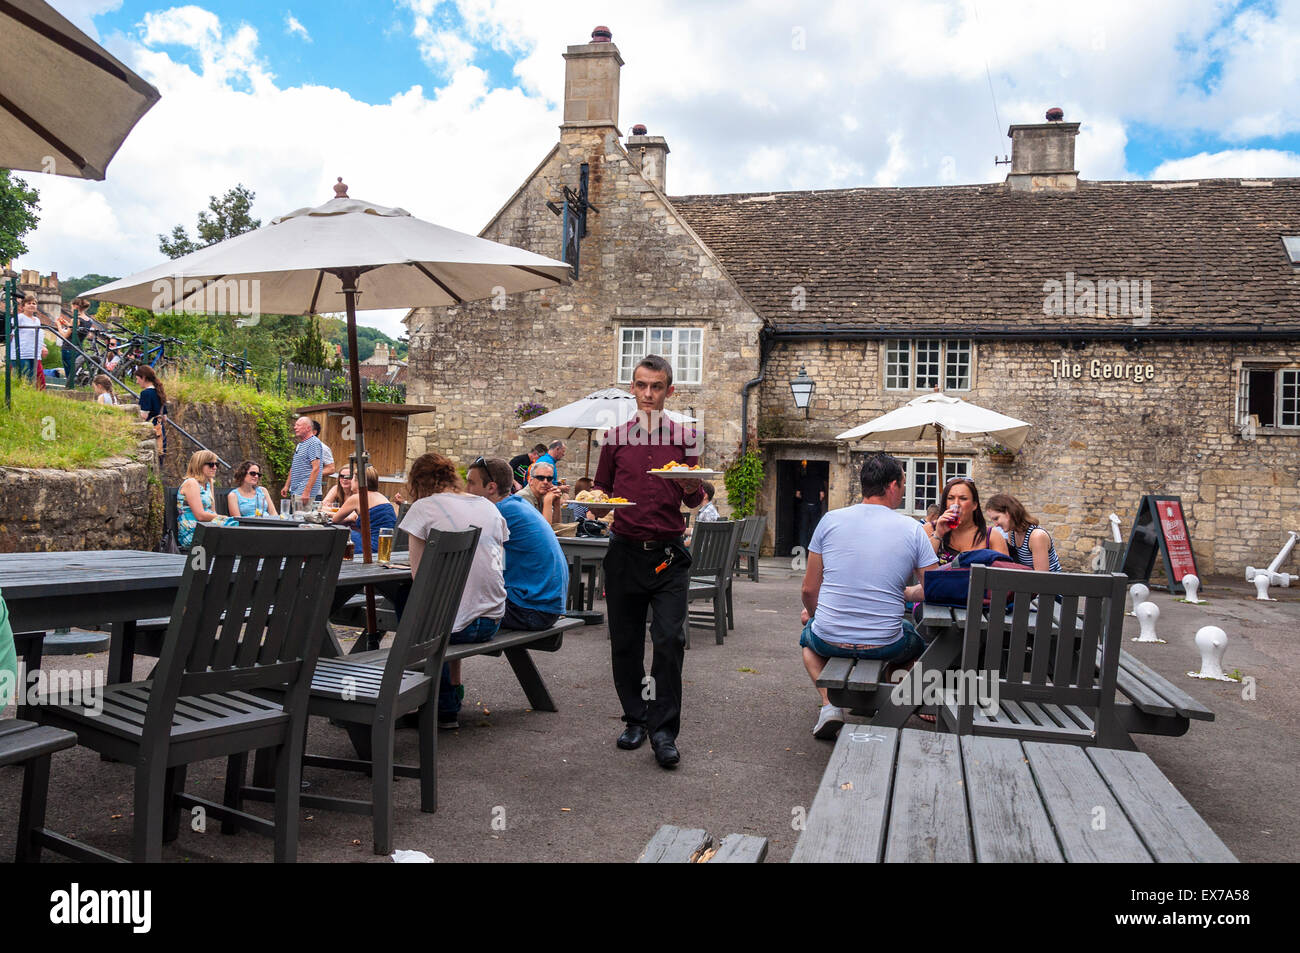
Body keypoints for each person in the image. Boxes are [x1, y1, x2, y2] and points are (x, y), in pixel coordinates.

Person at [594, 354, 705, 770]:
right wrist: (589, 503)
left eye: (656, 387)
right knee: (624, 643)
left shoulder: (685, 438)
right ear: (631, 388)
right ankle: (635, 719)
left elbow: (695, 498)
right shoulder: (615, 438)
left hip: (668, 555)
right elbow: (602, 493)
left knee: (669, 640)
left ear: (669, 391)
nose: (648, 394)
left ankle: (663, 731)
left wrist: (692, 484)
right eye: (641, 385)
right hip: (623, 553)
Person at [800, 452, 938, 739]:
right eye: (903, 482)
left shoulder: (829, 520)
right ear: (892, 486)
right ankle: (885, 700)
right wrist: (907, 593)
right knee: (913, 640)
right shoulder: (913, 529)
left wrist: (816, 617)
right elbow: (934, 588)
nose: (902, 489)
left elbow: (809, 589)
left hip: (829, 638)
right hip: (884, 642)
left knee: (807, 641)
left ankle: (829, 706)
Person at [400, 452, 509, 729]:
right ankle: (448, 700)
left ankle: (431, 702)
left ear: (418, 482)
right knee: (451, 606)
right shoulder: (488, 507)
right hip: (493, 620)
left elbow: (419, 578)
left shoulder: (423, 507)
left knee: (407, 601)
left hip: (456, 628)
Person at [466, 456, 569, 631]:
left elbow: (476, 562)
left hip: (530, 610)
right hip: (546, 607)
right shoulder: (517, 504)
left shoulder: (498, 513)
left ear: (491, 487)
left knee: (442, 611)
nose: (466, 489)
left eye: (470, 483)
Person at [926, 476, 1009, 565]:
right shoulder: (930, 529)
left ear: (974, 505)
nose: (956, 504)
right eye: (950, 498)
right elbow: (920, 566)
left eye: (963, 498)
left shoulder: (991, 536)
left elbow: (1004, 574)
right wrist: (938, 535)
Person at [985, 493, 1062, 573]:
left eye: (996, 518)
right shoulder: (1012, 534)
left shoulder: (1037, 536)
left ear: (1009, 513)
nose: (996, 524)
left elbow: (1042, 577)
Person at [332, 465, 397, 556]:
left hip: (370, 547)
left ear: (358, 482)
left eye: (353, 479)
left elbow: (335, 519)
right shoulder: (381, 496)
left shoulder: (358, 497)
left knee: (336, 535)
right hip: (386, 547)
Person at [177, 450, 228, 548]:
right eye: (211, 464)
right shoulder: (191, 483)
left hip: (207, 527)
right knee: (236, 532)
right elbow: (200, 515)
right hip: (193, 531)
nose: (215, 467)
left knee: (239, 531)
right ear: (199, 465)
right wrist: (224, 519)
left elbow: (212, 512)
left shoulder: (209, 483)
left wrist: (223, 520)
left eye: (216, 464)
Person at [281, 415, 323, 506]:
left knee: (302, 518)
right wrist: (287, 486)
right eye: (295, 425)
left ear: (308, 428)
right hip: (296, 490)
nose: (295, 427)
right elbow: (294, 466)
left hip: (305, 493)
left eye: (298, 425)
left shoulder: (313, 443)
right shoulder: (301, 444)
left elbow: (316, 468)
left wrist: (307, 491)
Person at [135, 366, 167, 465]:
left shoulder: (146, 393)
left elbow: (144, 416)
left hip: (150, 431)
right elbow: (165, 417)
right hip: (160, 432)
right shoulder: (159, 392)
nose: (137, 382)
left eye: (138, 379)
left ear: (143, 377)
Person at [515, 460, 565, 525]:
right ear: (530, 481)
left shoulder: (544, 494)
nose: (545, 482)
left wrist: (557, 503)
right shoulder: (523, 497)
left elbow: (557, 527)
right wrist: (548, 501)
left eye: (549, 478)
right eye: (541, 478)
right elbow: (544, 531)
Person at [795, 459, 826, 549]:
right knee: (814, 528)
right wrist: (817, 500)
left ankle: (802, 548)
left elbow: (797, 494)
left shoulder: (803, 479)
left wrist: (804, 498)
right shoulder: (819, 480)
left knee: (803, 528)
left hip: (804, 505)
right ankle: (812, 549)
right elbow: (822, 495)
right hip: (815, 506)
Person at [9, 296, 41, 381]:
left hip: (33, 353)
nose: (31, 305)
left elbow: (38, 336)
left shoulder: (37, 320)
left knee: (32, 379)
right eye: (29, 303)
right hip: (22, 353)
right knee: (23, 378)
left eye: (34, 303)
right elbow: (11, 335)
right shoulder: (19, 318)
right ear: (23, 306)